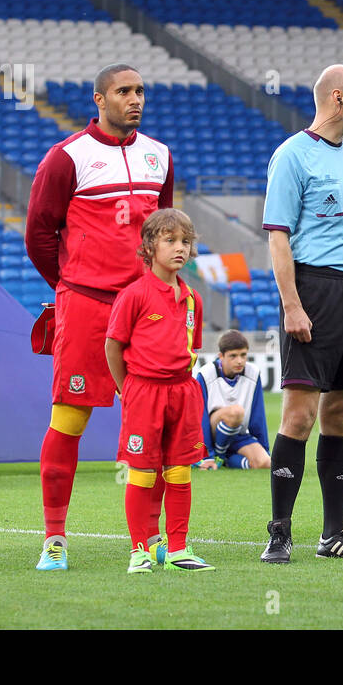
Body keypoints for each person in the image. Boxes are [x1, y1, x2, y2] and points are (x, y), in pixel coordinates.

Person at [26, 63, 175, 570]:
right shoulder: (68, 158)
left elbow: (166, 231)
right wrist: (71, 285)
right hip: (85, 305)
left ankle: (148, 540)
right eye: (123, 92)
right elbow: (38, 234)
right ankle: (54, 539)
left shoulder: (160, 157)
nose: (134, 100)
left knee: (153, 422)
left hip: (146, 310)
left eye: (140, 91)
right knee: (70, 418)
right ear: (98, 99)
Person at [259, 64, 343, 563]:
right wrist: (293, 304)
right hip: (315, 289)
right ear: (338, 97)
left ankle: (334, 532)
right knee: (300, 415)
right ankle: (280, 531)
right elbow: (278, 236)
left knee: (340, 415)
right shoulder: (292, 154)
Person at [106, 208, 213, 572]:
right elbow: (112, 348)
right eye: (170, 240)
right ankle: (140, 550)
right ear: (150, 246)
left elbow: (192, 348)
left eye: (185, 241)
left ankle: (178, 549)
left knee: (180, 471)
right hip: (144, 393)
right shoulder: (133, 295)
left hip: (182, 392)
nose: (179, 248)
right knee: (142, 472)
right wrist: (128, 389)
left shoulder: (194, 299)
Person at [195, 329, 270, 470]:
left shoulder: (253, 373)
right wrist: (207, 455)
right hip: (213, 432)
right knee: (236, 412)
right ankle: (217, 455)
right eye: (233, 356)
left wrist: (263, 448)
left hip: (238, 434)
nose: (239, 361)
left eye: (243, 355)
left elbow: (257, 415)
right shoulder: (205, 374)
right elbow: (201, 417)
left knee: (264, 463)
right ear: (221, 356)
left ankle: (225, 459)